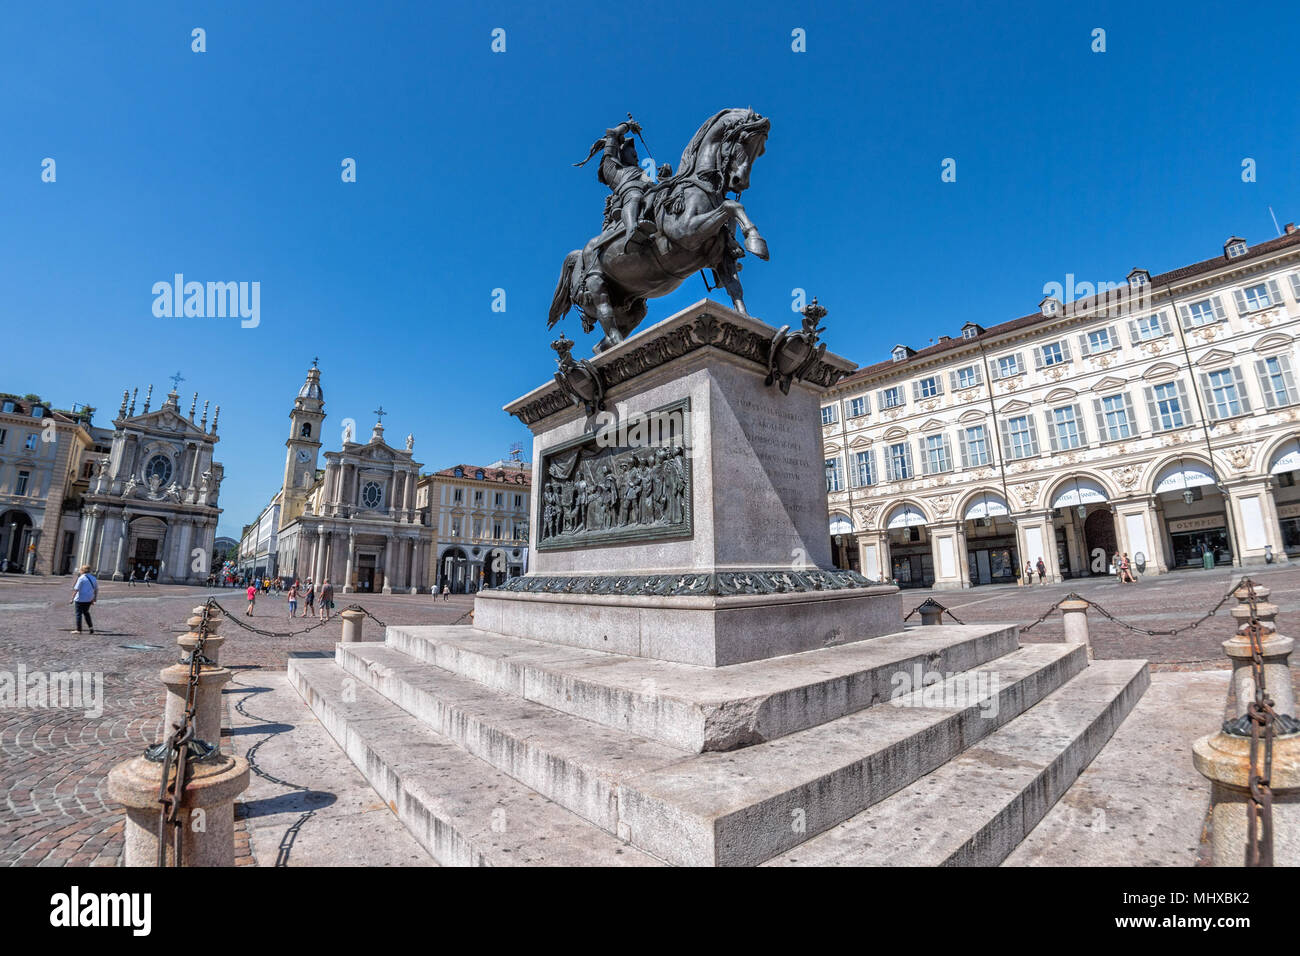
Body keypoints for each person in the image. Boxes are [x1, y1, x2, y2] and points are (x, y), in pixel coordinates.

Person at [71, 564, 98, 634]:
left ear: (82, 570)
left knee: (78, 614)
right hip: (89, 599)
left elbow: (76, 589)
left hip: (80, 598)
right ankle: (91, 628)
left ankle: (79, 629)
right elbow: (96, 589)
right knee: (86, 613)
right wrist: (94, 598)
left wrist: (72, 598)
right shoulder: (93, 578)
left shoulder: (81, 578)